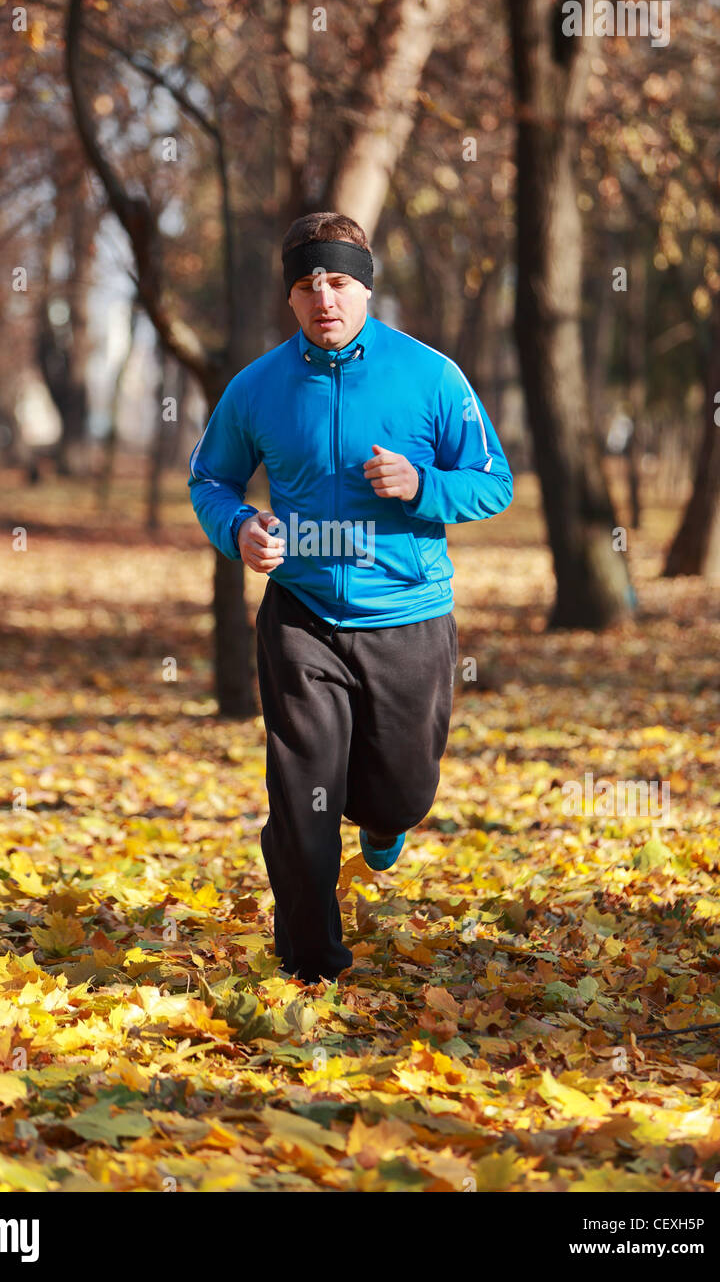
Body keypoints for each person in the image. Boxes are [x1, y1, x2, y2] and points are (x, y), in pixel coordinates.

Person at [188, 212, 513, 984]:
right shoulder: (257, 386)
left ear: (365, 286)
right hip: (301, 614)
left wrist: (423, 485)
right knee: (302, 802)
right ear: (291, 298)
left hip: (408, 616)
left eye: (336, 280)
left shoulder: (431, 376)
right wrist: (238, 530)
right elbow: (211, 478)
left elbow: (493, 480)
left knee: (400, 792)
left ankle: (386, 823)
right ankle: (312, 966)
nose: (323, 297)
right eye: (306, 285)